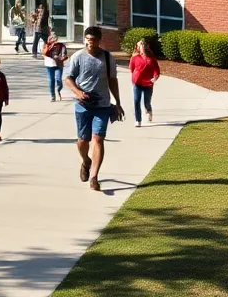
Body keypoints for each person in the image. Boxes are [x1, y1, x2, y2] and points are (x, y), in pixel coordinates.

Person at [64, 27, 125, 192]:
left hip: (102, 105)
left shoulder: (107, 57)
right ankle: (86, 161)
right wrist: (78, 92)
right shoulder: (77, 57)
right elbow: (68, 78)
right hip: (83, 105)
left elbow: (112, 80)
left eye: (94, 40)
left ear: (99, 40)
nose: (90, 43)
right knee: (82, 140)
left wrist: (117, 102)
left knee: (98, 139)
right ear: (85, 40)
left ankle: (94, 177)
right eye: (88, 40)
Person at [129, 38, 161, 127]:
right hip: (137, 83)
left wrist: (155, 78)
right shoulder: (135, 58)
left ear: (146, 46)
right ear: (137, 47)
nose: (141, 45)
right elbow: (131, 69)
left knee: (147, 102)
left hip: (148, 84)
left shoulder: (151, 59)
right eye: (140, 44)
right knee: (136, 101)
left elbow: (156, 70)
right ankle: (138, 120)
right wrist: (135, 76)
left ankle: (149, 110)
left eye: (143, 44)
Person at [43, 32, 68, 101]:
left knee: (58, 79)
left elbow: (64, 54)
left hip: (58, 64)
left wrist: (61, 57)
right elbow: (44, 53)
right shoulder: (46, 45)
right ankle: (52, 96)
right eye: (52, 38)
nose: (54, 40)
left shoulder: (61, 45)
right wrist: (49, 46)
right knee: (51, 80)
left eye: (55, 38)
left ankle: (58, 89)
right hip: (49, 64)